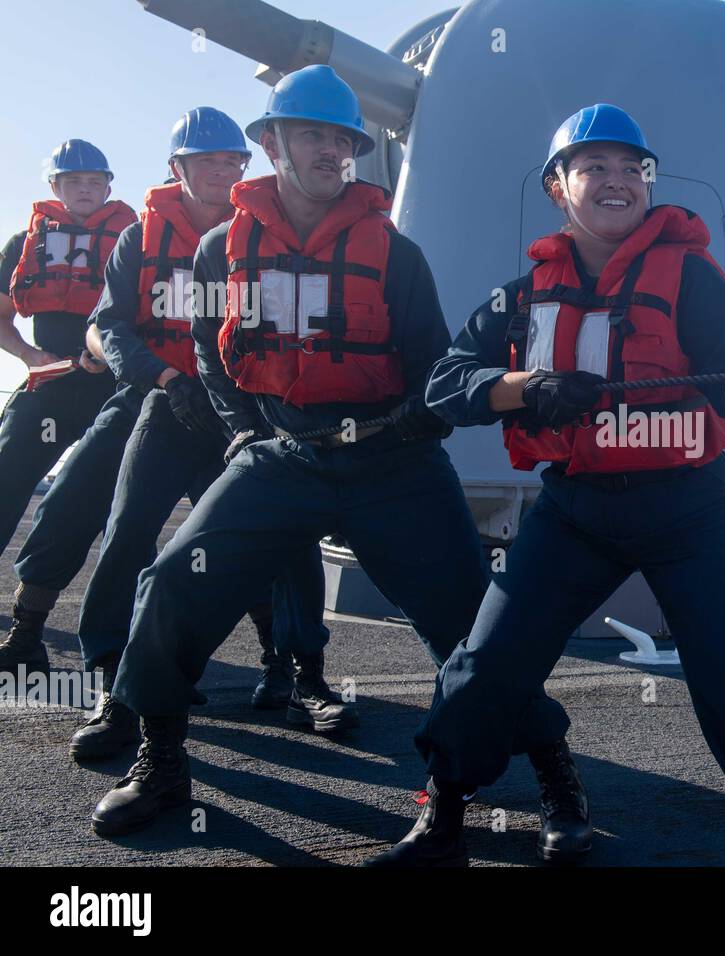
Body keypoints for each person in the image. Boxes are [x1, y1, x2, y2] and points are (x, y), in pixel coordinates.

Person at [90, 67, 581, 843]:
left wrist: (411, 431)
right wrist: (243, 432)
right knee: (175, 582)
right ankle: (162, 761)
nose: (331, 150)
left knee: (472, 624)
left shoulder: (394, 253)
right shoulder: (221, 252)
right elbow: (211, 352)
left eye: (342, 140)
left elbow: (433, 366)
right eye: (312, 134)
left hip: (391, 461)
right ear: (273, 143)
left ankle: (556, 776)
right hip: (283, 454)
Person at [375, 104, 725, 867]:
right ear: (558, 187)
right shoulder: (521, 296)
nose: (617, 179)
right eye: (594, 166)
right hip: (578, 508)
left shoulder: (691, 277)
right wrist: (526, 387)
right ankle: (443, 823)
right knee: (487, 664)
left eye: (633, 168)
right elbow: (445, 384)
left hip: (691, 506)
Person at [43, 108, 337, 761]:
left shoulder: (266, 232)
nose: (223, 171)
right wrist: (166, 380)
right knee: (128, 530)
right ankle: (116, 681)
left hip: (250, 408)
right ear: (177, 168)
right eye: (208, 161)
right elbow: (111, 327)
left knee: (288, 537)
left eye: (233, 161)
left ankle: (297, 674)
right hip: (170, 402)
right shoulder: (138, 240)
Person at [0, 141, 135, 671]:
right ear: (54, 187)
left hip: (115, 389)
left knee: (120, 507)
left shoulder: (133, 238)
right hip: (51, 384)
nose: (85, 188)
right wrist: (31, 357)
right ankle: (26, 632)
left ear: (109, 186)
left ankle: (125, 642)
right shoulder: (24, 243)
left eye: (95, 180)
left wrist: (113, 357)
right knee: (6, 476)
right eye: (73, 180)